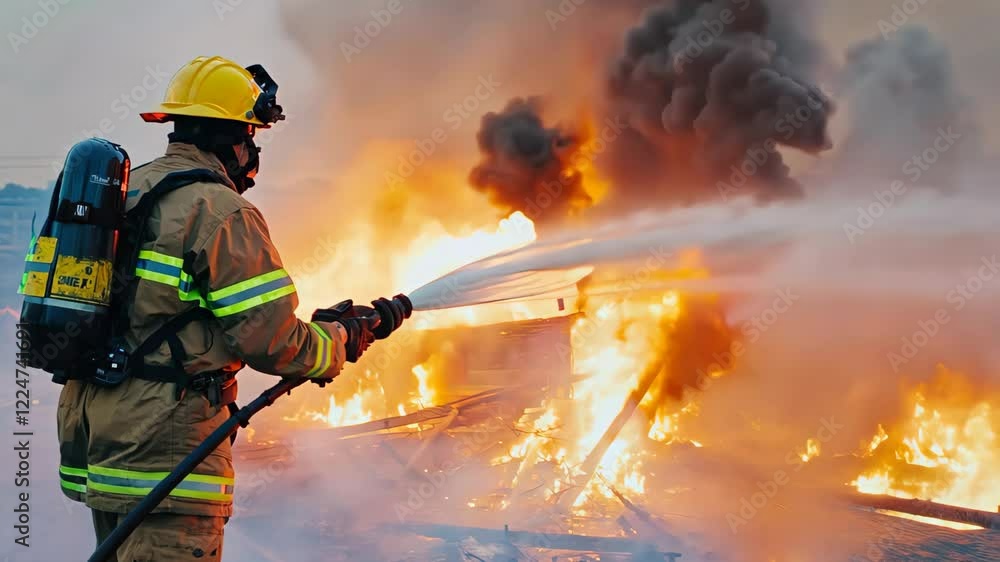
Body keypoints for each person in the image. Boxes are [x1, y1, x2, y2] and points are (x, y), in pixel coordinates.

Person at [56, 55, 404, 561]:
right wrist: (341, 340)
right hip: (166, 451)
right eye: (250, 137)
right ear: (228, 138)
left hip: (102, 435)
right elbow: (276, 343)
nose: (252, 153)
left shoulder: (128, 190)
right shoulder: (220, 211)